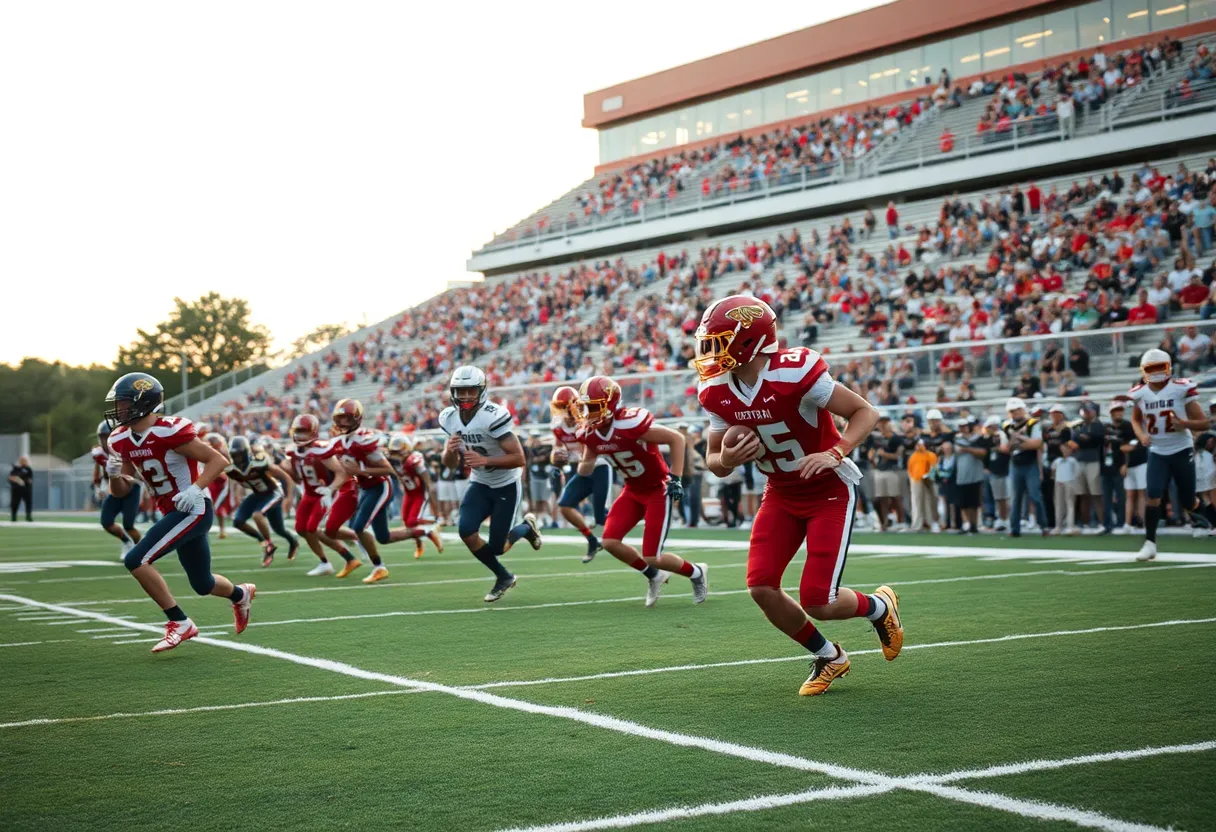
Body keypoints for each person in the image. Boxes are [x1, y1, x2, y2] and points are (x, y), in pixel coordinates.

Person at [696, 296, 901, 696]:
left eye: (719, 342)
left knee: (819, 601)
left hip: (828, 489)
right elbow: (714, 462)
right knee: (761, 587)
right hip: (780, 492)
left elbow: (865, 412)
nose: (710, 353)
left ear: (750, 341)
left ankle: (880, 607)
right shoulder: (715, 389)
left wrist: (835, 452)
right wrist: (728, 459)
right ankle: (829, 656)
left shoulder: (794, 371)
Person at [103, 372, 254, 653]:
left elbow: (218, 460)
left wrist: (195, 489)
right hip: (172, 511)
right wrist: (113, 476)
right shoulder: (121, 438)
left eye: (123, 403)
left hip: (193, 508)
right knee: (202, 583)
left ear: (142, 403)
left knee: (136, 559)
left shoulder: (168, 431)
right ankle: (240, 593)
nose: (118, 409)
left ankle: (179, 622)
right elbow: (120, 492)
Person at [574, 375, 705, 608]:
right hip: (632, 491)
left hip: (657, 490)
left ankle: (696, 572)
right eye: (585, 407)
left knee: (653, 556)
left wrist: (676, 478)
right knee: (610, 541)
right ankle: (654, 576)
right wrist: (576, 463)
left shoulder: (629, 424)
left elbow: (676, 438)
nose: (588, 413)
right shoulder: (591, 433)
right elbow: (586, 467)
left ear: (610, 405)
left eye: (593, 407)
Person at [440, 365, 542, 602]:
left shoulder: (493, 416)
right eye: (461, 391)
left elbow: (519, 459)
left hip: (506, 483)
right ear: (454, 392)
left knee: (498, 547)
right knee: (466, 531)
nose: (466, 396)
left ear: (481, 390)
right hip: (480, 482)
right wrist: (450, 450)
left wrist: (485, 460)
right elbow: (450, 464)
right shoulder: (448, 418)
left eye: (471, 390)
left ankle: (526, 528)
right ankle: (503, 576)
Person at [1130, 349, 1216, 560]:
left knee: (1188, 501)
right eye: (1152, 368)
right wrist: (1141, 435)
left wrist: (1184, 423)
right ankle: (1150, 543)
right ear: (1144, 370)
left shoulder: (1180, 389)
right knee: (1153, 494)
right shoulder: (1140, 393)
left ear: (1168, 367)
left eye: (1160, 367)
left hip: (1181, 449)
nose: (1156, 372)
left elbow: (1204, 423)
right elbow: (1135, 419)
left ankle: (1209, 520)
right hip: (1157, 451)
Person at [327, 398, 400, 583]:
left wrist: (361, 471)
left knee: (358, 527)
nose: (343, 422)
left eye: (347, 418)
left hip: (380, 486)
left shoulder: (362, 440)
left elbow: (389, 470)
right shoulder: (342, 441)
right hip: (366, 487)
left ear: (357, 419)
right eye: (340, 418)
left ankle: (379, 567)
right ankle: (421, 532)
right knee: (383, 536)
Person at [285, 414, 361, 576]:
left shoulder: (320, 450)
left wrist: (330, 489)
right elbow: (296, 474)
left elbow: (341, 473)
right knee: (300, 529)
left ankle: (350, 553)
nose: (299, 435)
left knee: (312, 528)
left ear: (313, 432)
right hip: (309, 494)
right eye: (297, 431)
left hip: (323, 493)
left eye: (303, 431)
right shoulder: (293, 451)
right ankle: (325, 562)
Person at [549, 386, 608, 563]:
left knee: (600, 517)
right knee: (565, 505)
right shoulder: (558, 426)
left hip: (599, 467)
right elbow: (556, 449)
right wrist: (556, 457)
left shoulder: (586, 422)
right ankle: (591, 540)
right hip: (581, 469)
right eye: (559, 407)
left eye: (564, 406)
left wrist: (570, 457)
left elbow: (588, 452)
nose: (562, 411)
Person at [226, 435, 299, 567]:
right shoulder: (231, 470)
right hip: (257, 495)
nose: (237, 459)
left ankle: (273, 545)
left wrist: (288, 498)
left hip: (274, 493)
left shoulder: (259, 463)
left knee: (260, 517)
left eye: (240, 455)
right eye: (234, 455)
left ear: (246, 453)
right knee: (238, 522)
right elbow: (239, 482)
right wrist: (238, 495)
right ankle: (269, 542)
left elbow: (286, 477)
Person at [385, 434, 444, 558]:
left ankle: (432, 528)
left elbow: (429, 483)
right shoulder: (393, 462)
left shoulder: (414, 460)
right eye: (393, 452)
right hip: (409, 493)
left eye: (397, 452)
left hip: (419, 493)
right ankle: (420, 543)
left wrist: (436, 509)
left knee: (412, 522)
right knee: (407, 523)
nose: (395, 455)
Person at [91, 420, 142, 557]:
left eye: (106, 436)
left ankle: (141, 550)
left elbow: (135, 471)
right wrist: (98, 487)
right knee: (106, 522)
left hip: (131, 488)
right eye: (102, 437)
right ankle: (127, 542)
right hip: (114, 490)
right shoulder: (98, 452)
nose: (104, 440)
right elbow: (98, 470)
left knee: (128, 525)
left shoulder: (125, 448)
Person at [1003, 397, 1047, 537]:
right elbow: (1006, 448)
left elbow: (1037, 444)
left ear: (1023, 409)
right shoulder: (1007, 426)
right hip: (1015, 464)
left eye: (1017, 410)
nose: (1015, 413)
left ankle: (1043, 525)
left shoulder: (1033, 423)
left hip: (1030, 463)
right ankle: (1014, 528)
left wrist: (1018, 441)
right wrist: (1021, 442)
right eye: (1012, 411)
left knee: (1035, 496)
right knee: (1015, 498)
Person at [1113, 397, 1147, 534]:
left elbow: (1133, 443)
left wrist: (1129, 448)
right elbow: (1122, 448)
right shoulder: (1120, 427)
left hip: (1140, 461)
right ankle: (1128, 524)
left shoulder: (1131, 425)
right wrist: (1123, 464)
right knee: (1130, 494)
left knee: (1141, 493)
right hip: (1129, 465)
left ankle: (1142, 523)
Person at [1069, 402, 1106, 531]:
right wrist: (1083, 439)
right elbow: (1075, 439)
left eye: (1088, 411)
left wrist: (1084, 438)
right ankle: (1085, 522)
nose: (1086, 413)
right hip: (1080, 460)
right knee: (1082, 494)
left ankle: (1102, 522)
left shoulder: (1098, 425)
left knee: (1096, 493)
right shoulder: (1079, 425)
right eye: (1085, 411)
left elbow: (1095, 440)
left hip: (1093, 460)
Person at [1040, 404, 1072, 530]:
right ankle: (1051, 521)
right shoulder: (1048, 429)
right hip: (1049, 463)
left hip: (1062, 463)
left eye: (1058, 413)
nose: (1055, 416)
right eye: (1053, 413)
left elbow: (1068, 447)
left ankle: (1065, 520)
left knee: (1062, 494)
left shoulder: (1066, 429)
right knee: (1048, 493)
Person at [871, 415, 905, 530]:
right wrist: (873, 458)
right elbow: (873, 453)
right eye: (881, 423)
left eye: (885, 423)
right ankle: (884, 523)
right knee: (882, 498)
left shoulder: (896, 438)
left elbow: (898, 456)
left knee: (896, 497)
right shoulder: (878, 439)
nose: (882, 425)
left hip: (892, 470)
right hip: (880, 469)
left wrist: (884, 454)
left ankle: (901, 522)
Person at [953, 416, 986, 533]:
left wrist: (967, 449)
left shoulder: (978, 439)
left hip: (975, 474)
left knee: (974, 503)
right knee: (963, 503)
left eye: (965, 426)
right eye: (961, 426)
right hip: (961, 475)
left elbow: (983, 452)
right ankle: (966, 524)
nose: (963, 429)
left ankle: (974, 524)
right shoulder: (956, 439)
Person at [906, 438, 938, 532]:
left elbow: (933, 468)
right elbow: (910, 469)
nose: (918, 447)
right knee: (916, 502)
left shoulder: (930, 455)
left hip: (928, 480)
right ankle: (917, 524)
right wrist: (912, 479)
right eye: (917, 445)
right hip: (916, 480)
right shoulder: (913, 456)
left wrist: (929, 477)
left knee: (929, 501)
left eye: (920, 445)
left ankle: (931, 523)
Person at [1052, 442, 1080, 535]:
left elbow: (1077, 472)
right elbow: (1053, 471)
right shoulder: (1057, 460)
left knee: (1070, 503)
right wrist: (1056, 479)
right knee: (1058, 504)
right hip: (1059, 483)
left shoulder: (1072, 460)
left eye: (1067, 449)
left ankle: (1070, 526)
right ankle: (1058, 526)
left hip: (1070, 482)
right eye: (1063, 448)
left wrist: (1073, 483)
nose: (1065, 450)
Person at [8, 456, 33, 522]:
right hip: (16, 489)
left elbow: (30, 480)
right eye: (22, 460)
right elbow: (11, 478)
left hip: (26, 489)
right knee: (15, 503)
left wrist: (25, 481)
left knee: (28, 502)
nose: (24, 461)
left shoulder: (28, 469)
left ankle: (28, 516)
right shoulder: (15, 469)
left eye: (25, 460)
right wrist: (17, 479)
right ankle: (14, 517)